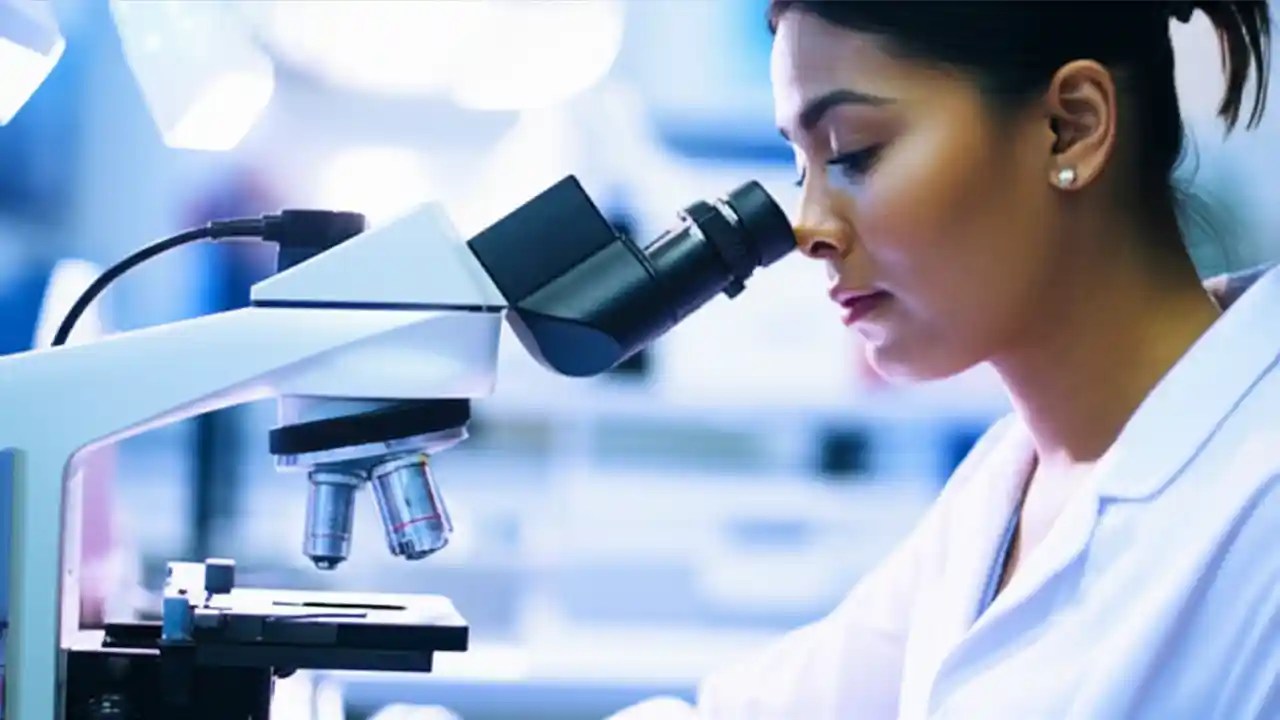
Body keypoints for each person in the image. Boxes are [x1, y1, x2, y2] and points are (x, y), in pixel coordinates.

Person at [611, 1, 1276, 718]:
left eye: (855, 153)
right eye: (800, 165)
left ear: (1070, 129)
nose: (808, 228)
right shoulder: (1003, 491)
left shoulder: (1257, 506)